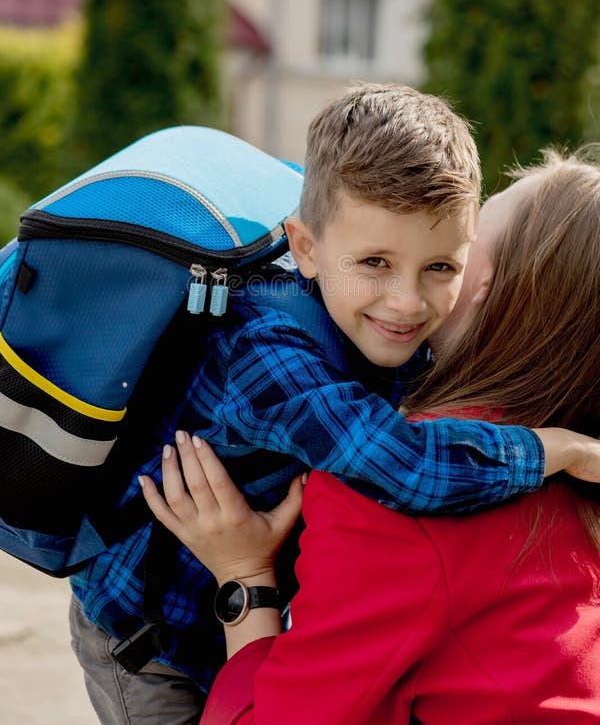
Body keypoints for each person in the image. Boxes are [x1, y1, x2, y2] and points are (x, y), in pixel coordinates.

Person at [69, 85, 599, 725]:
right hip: (151, 634)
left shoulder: (385, 334)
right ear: (307, 247)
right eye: (375, 262)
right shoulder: (268, 353)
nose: (407, 301)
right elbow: (404, 466)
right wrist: (555, 447)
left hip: (227, 610)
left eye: (441, 267)